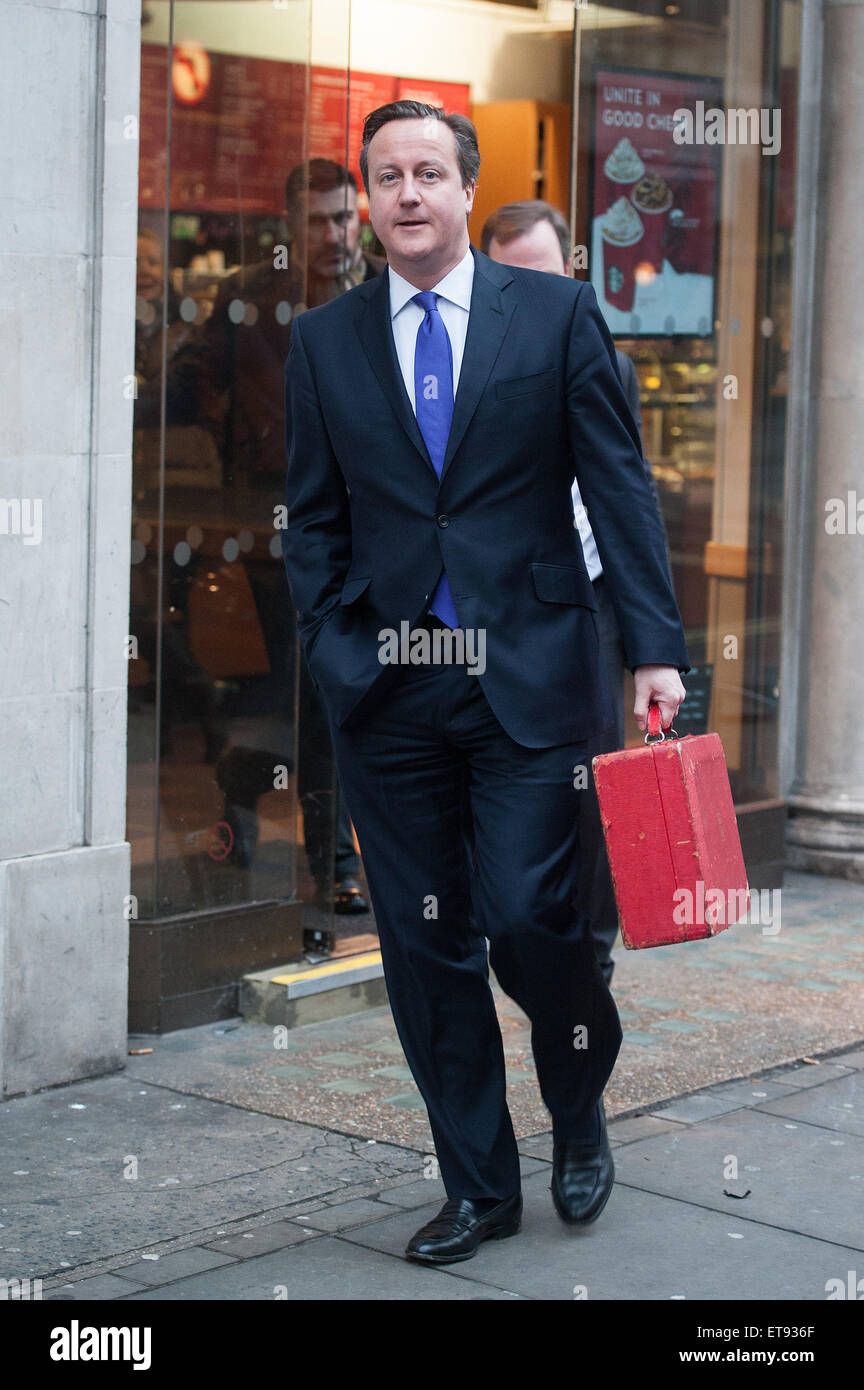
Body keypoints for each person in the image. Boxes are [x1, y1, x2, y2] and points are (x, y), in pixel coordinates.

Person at [281, 101, 688, 1265]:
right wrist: (336, 644)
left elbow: (620, 488)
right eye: (386, 177)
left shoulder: (555, 314)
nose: (406, 193)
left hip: (531, 673)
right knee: (426, 947)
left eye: (428, 174)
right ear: (369, 201)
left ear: (466, 191)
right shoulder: (325, 340)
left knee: (528, 917)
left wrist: (653, 647)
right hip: (392, 685)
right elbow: (311, 522)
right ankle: (478, 1182)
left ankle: (577, 1099)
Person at [138, 161, 382, 914]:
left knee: (315, 697)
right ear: (288, 224)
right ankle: (326, 856)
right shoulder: (249, 294)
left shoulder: (388, 285)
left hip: (373, 530)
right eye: (316, 219)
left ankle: (261, 804)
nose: (333, 234)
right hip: (276, 526)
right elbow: (191, 384)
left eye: (344, 217)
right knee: (302, 693)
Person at [481, 198, 674, 984]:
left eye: (545, 276)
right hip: (490, 611)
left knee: (595, 788)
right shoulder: (463, 364)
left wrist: (652, 648)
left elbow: (626, 499)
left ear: (572, 276)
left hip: (586, 607)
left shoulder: (608, 364)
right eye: (510, 278)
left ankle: (588, 962)